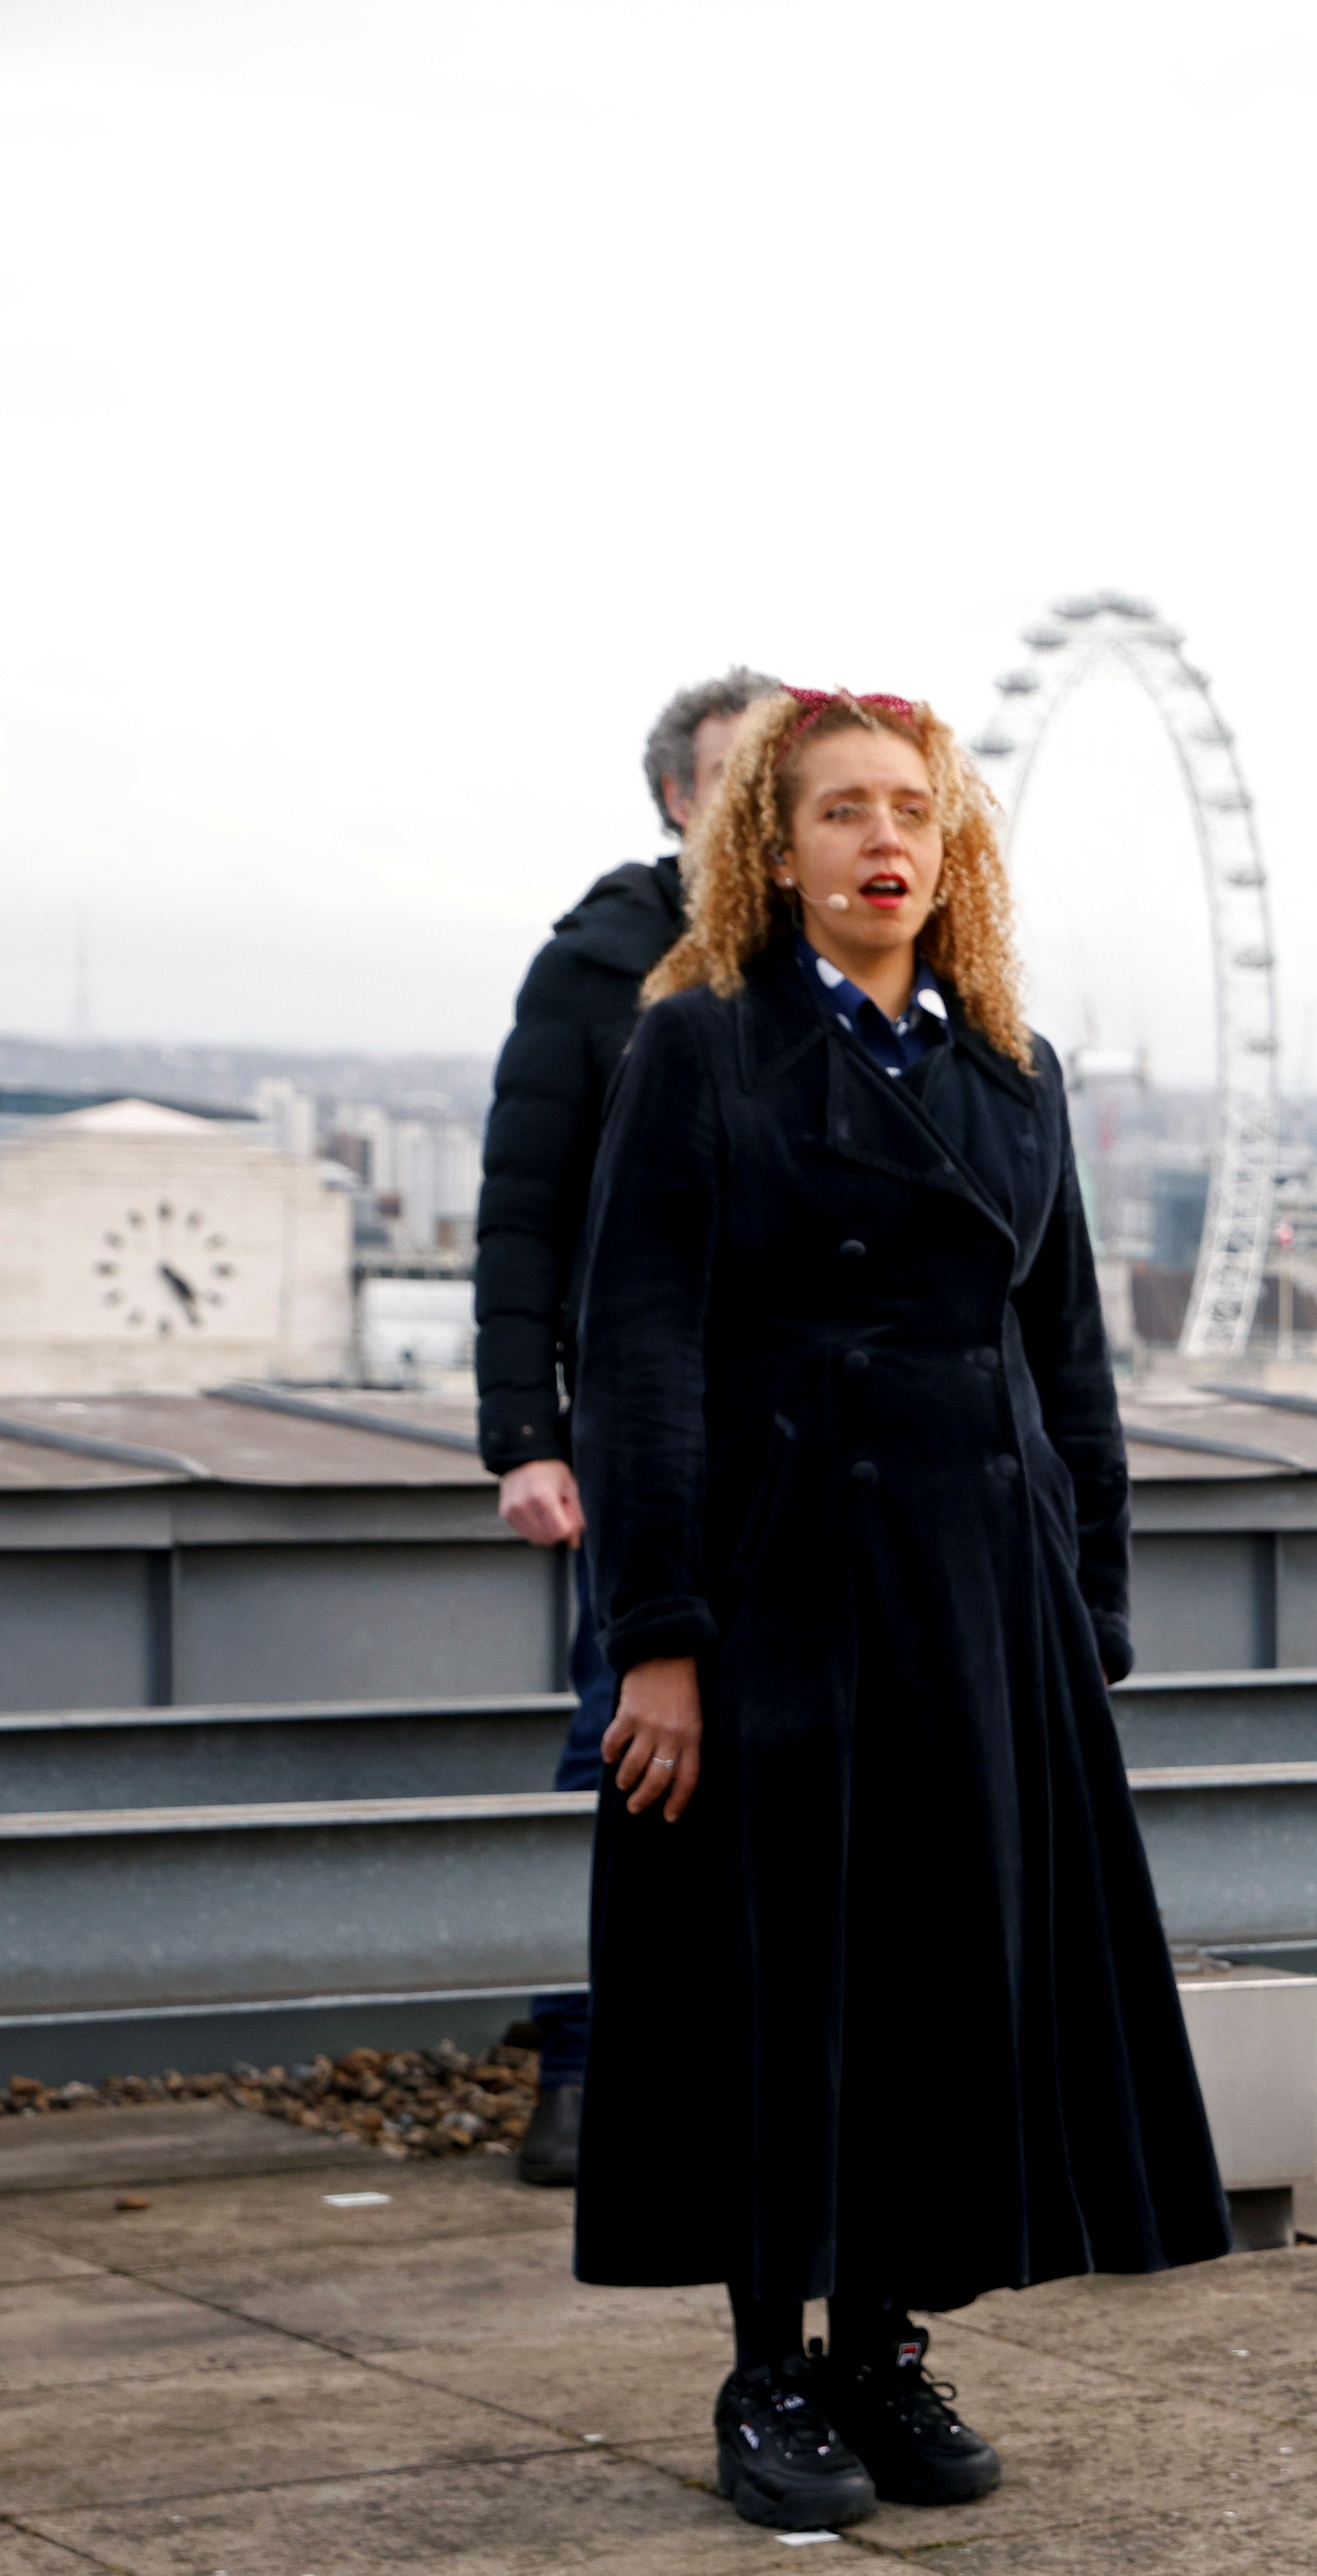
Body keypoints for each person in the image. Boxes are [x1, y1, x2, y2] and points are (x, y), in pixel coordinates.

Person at [576, 690, 1229, 2533]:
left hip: (980, 1586)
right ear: (771, 849)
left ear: (952, 854)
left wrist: (1088, 1599)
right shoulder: (699, 1051)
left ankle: (881, 2342)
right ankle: (767, 2363)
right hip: (785, 1574)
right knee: (787, 1978)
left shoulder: (1010, 1070)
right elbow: (633, 1355)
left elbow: (1067, 1349)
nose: (884, 841)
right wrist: (657, 1631)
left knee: (942, 1969)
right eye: (844, 811)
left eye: (914, 814)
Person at [470, 665, 783, 2188]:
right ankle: (583, 2071)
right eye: (741, 774)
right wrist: (523, 1434)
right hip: (642, 1429)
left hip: (809, 1435)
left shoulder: (846, 965)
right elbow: (523, 1210)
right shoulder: (597, 969)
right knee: (627, 1732)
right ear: (678, 796)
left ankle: (761, 2066)